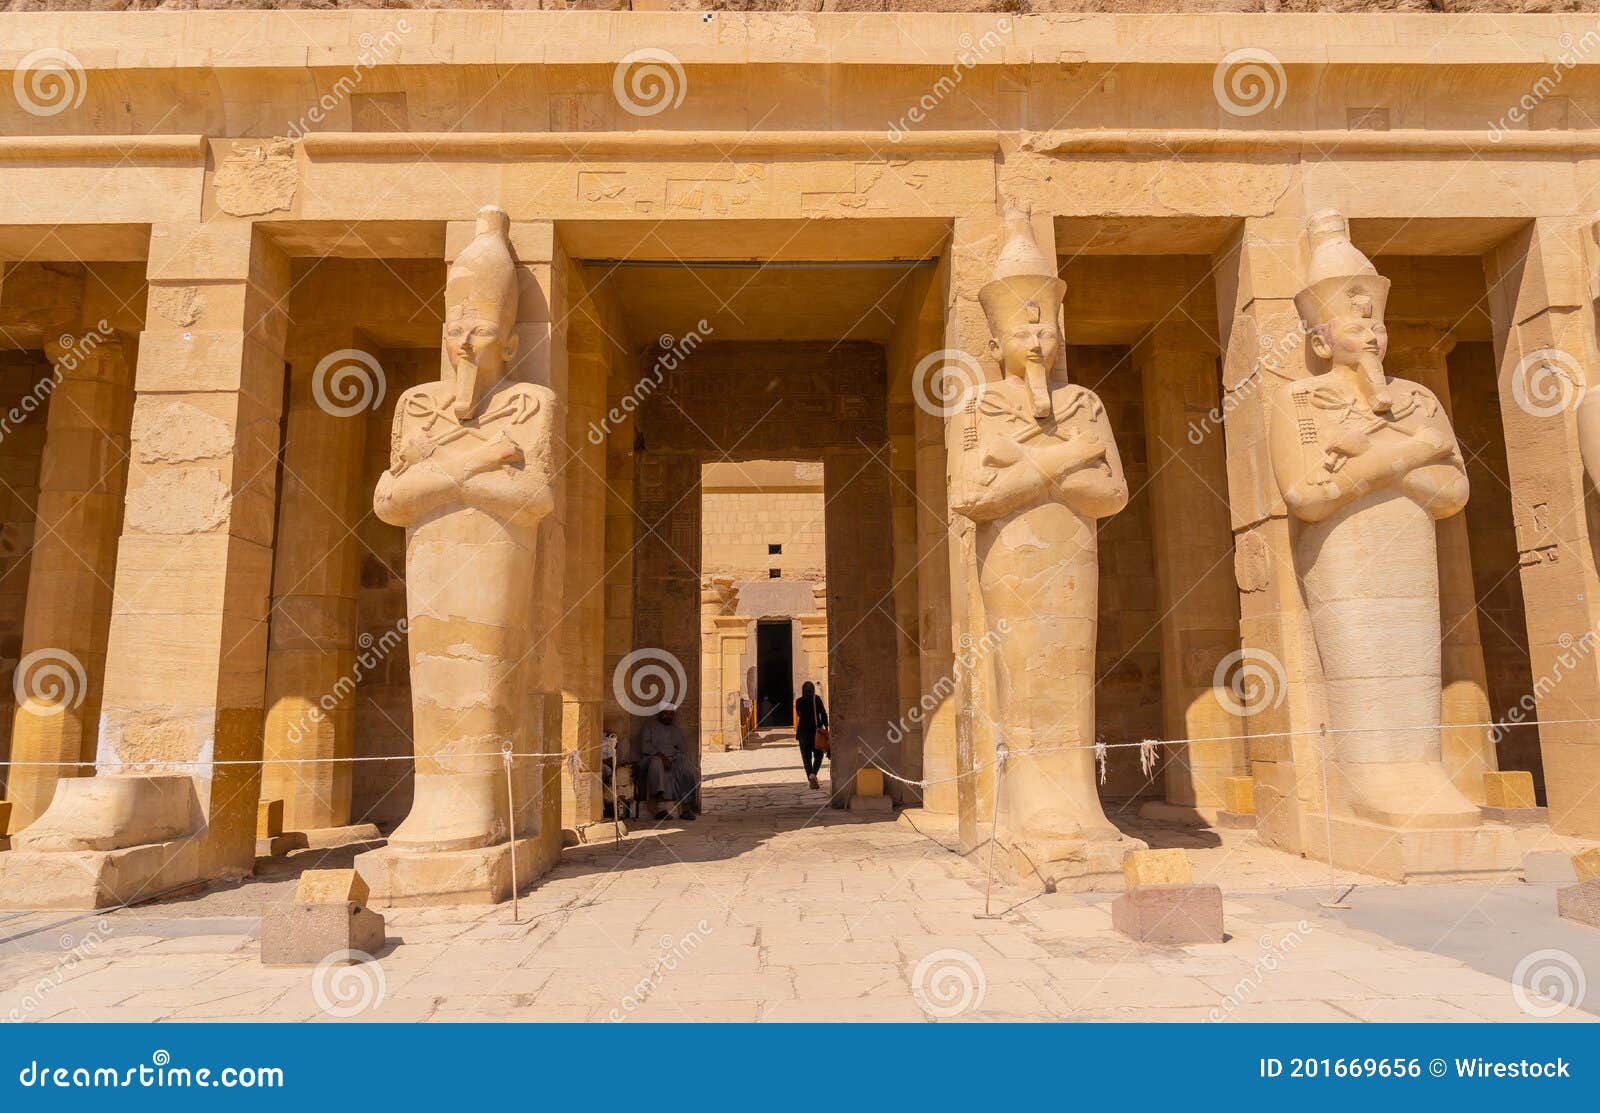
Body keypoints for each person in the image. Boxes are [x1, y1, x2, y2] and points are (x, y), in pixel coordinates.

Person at [637, 704, 699, 821]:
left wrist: (675, 759)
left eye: (671, 714)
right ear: (660, 713)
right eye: (666, 713)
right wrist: (661, 756)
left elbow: (681, 750)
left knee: (686, 766)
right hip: (652, 758)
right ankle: (658, 808)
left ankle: (686, 807)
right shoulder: (649, 726)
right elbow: (645, 747)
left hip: (672, 759)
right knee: (656, 763)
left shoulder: (675, 730)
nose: (668, 716)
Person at [794, 682, 828, 790]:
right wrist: (826, 726)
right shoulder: (816, 699)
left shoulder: (798, 701)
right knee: (818, 755)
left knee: (806, 758)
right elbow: (822, 713)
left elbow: (799, 714)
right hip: (815, 731)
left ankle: (810, 777)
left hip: (802, 733)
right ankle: (813, 774)